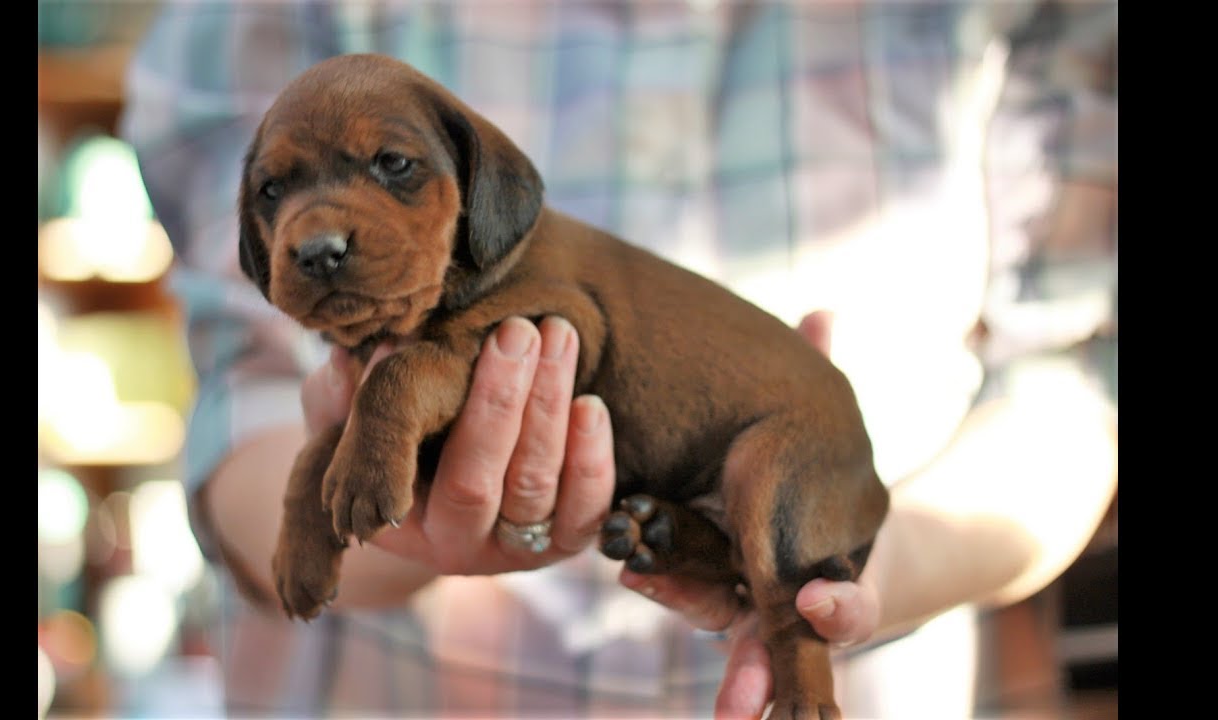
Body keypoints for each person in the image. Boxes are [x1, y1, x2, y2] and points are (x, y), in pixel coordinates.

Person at [120, 1, 1117, 717]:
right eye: (278, 198)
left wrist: (866, 576)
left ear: (481, 187)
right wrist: (359, 533)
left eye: (393, 169)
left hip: (867, 608)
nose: (318, 234)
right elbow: (243, 392)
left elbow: (1064, 379)